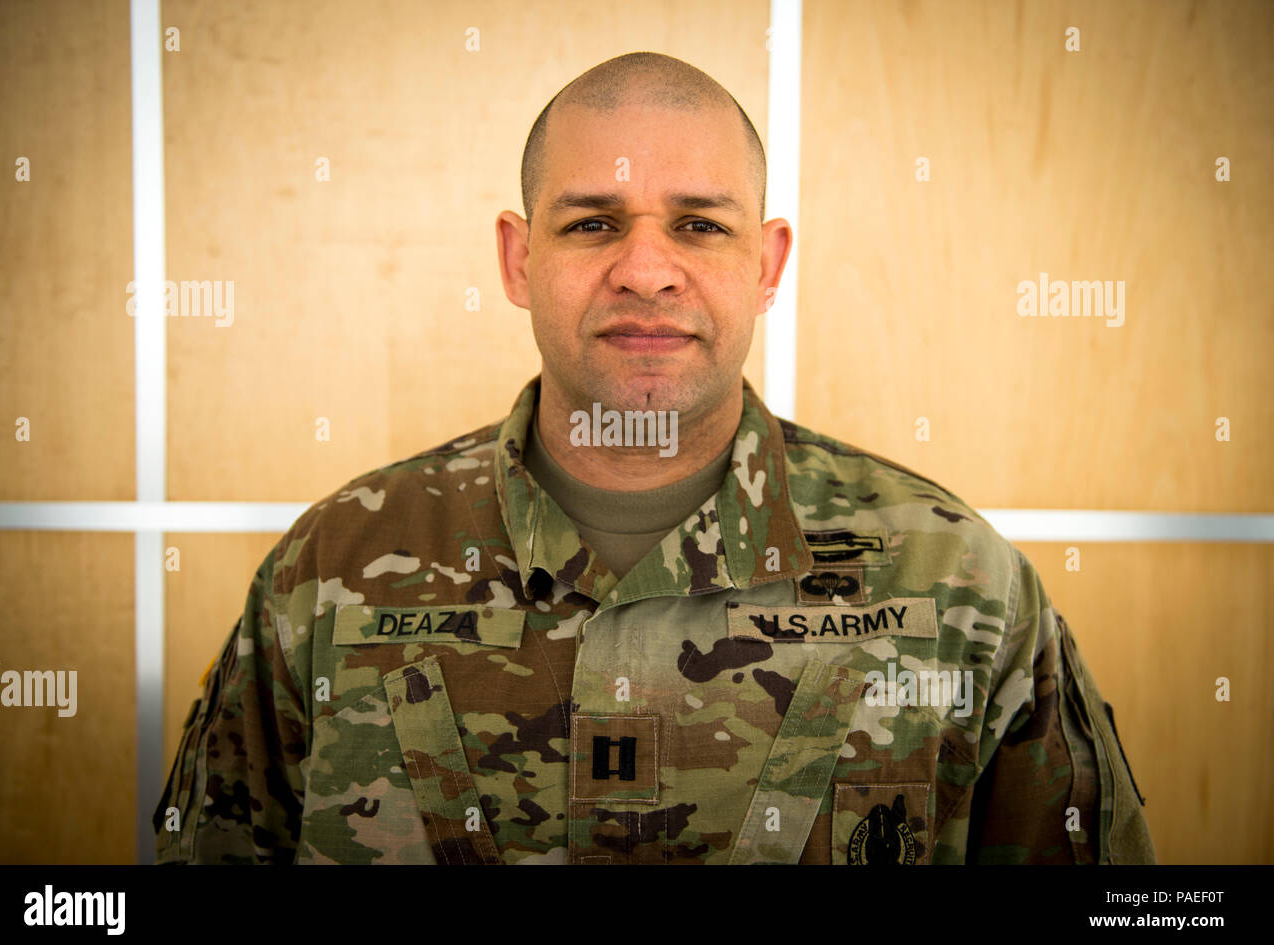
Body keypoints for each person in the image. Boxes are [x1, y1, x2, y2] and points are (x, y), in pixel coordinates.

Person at [153, 51, 1156, 865]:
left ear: (765, 267)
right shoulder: (328, 570)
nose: (644, 269)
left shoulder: (955, 579)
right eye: (592, 223)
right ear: (517, 258)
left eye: (697, 225)